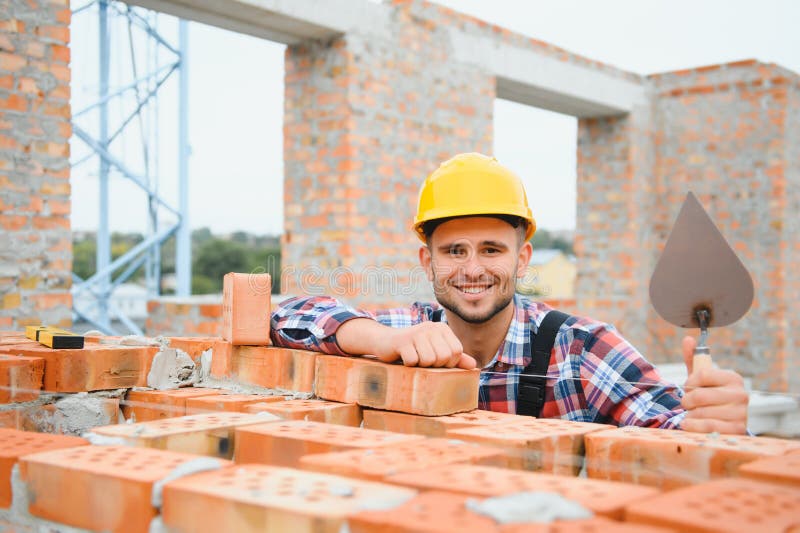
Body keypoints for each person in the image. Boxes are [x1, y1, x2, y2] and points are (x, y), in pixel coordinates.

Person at [271, 153, 748, 434]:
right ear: (427, 262)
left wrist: (716, 426)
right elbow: (286, 316)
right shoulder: (405, 333)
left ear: (522, 259)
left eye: (492, 249)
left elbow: (673, 429)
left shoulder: (581, 351)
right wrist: (376, 340)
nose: (472, 269)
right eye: (454, 250)